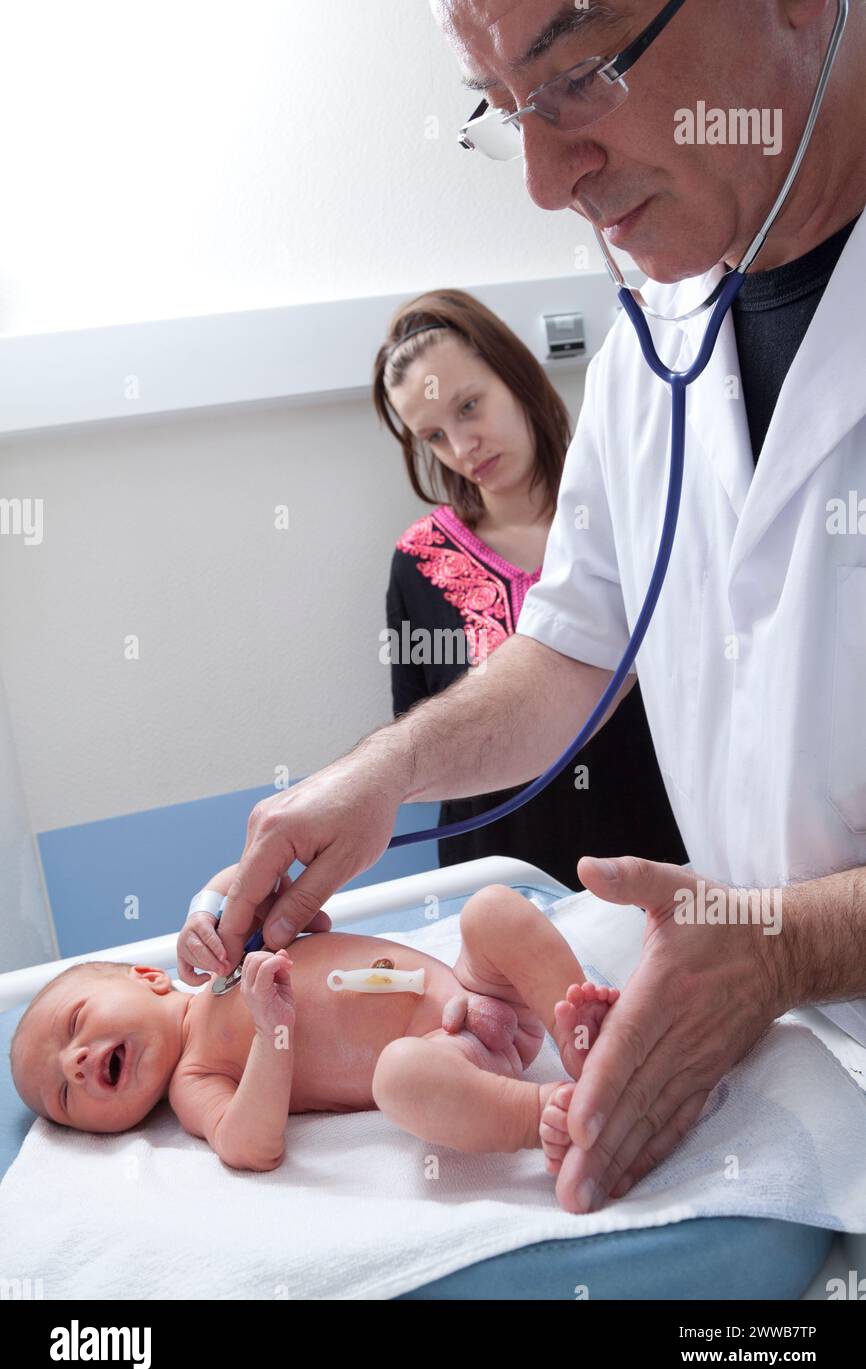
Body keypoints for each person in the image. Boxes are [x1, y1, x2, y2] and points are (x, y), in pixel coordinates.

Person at [181, 0, 866, 1293]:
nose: (547, 181)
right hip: (780, 1099)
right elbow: (569, 648)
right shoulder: (653, 339)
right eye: (502, 110)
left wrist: (785, 944)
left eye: (576, 76)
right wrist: (380, 773)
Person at [12, 880, 618, 1196]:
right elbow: (250, 1145)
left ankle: (577, 1037)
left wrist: (208, 908)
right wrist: (273, 1033)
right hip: (450, 1053)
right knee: (401, 1079)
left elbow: (252, 878)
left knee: (491, 908)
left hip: (476, 984)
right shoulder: (194, 1080)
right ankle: (539, 1112)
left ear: (149, 978)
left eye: (74, 1025)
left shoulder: (225, 958)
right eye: (66, 1096)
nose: (78, 1063)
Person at [375, 287, 686, 890]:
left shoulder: (632, 506)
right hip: (497, 886)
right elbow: (419, 737)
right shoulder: (419, 561)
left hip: (656, 860)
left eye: (469, 406)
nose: (462, 448)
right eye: (434, 435)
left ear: (515, 374)